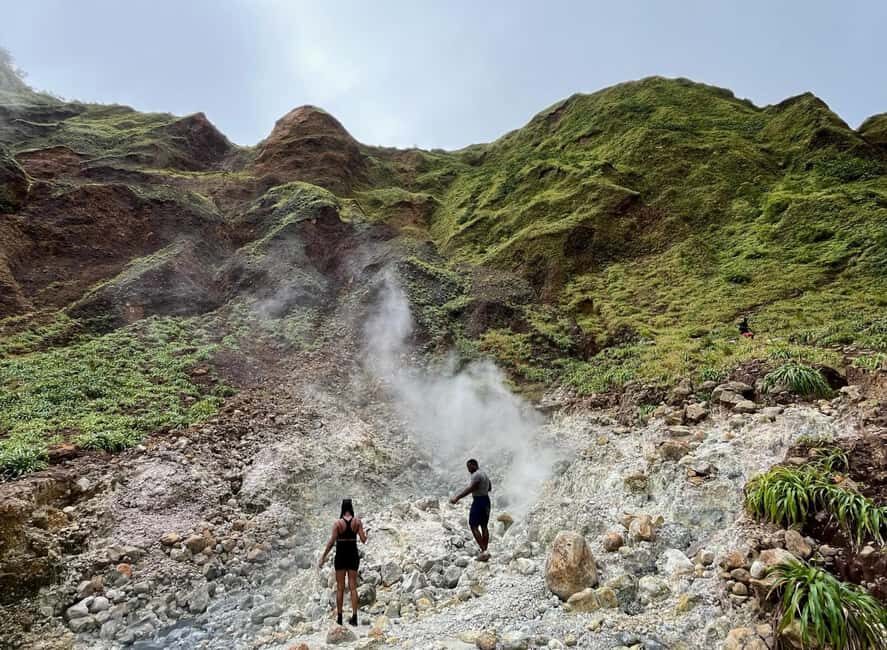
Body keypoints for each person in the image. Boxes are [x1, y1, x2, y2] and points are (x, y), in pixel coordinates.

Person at [318, 498, 367, 626]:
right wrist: (365, 532)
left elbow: (331, 542)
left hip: (341, 556)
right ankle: (354, 618)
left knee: (340, 588)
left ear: (342, 508)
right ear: (351, 507)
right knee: (353, 587)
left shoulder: (338, 523)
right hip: (353, 555)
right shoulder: (357, 522)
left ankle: (339, 618)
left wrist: (323, 556)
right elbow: (363, 540)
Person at [449, 458, 492, 561]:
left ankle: (483, 550)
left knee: (473, 525)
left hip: (478, 502)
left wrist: (457, 498)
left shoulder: (476, 475)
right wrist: (483, 489)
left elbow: (471, 488)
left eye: (469, 467)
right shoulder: (484, 474)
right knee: (484, 526)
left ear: (474, 465)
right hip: (486, 501)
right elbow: (490, 488)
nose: (468, 470)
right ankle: (485, 550)